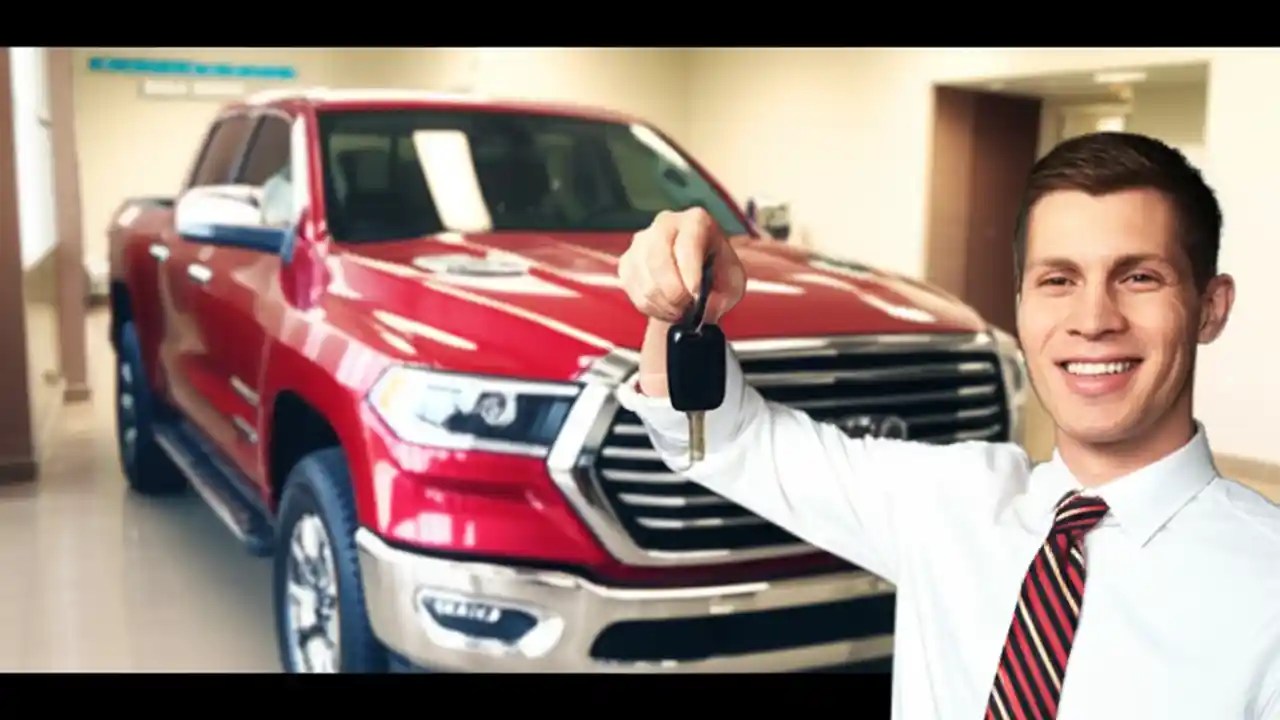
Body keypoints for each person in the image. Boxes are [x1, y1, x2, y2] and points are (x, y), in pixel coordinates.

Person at [614, 131, 1280, 719]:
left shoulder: (1265, 582)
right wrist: (680, 295)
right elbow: (723, 437)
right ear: (1019, 304)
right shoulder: (947, 502)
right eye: (1058, 280)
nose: (1093, 318)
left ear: (1210, 308)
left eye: (1138, 276)